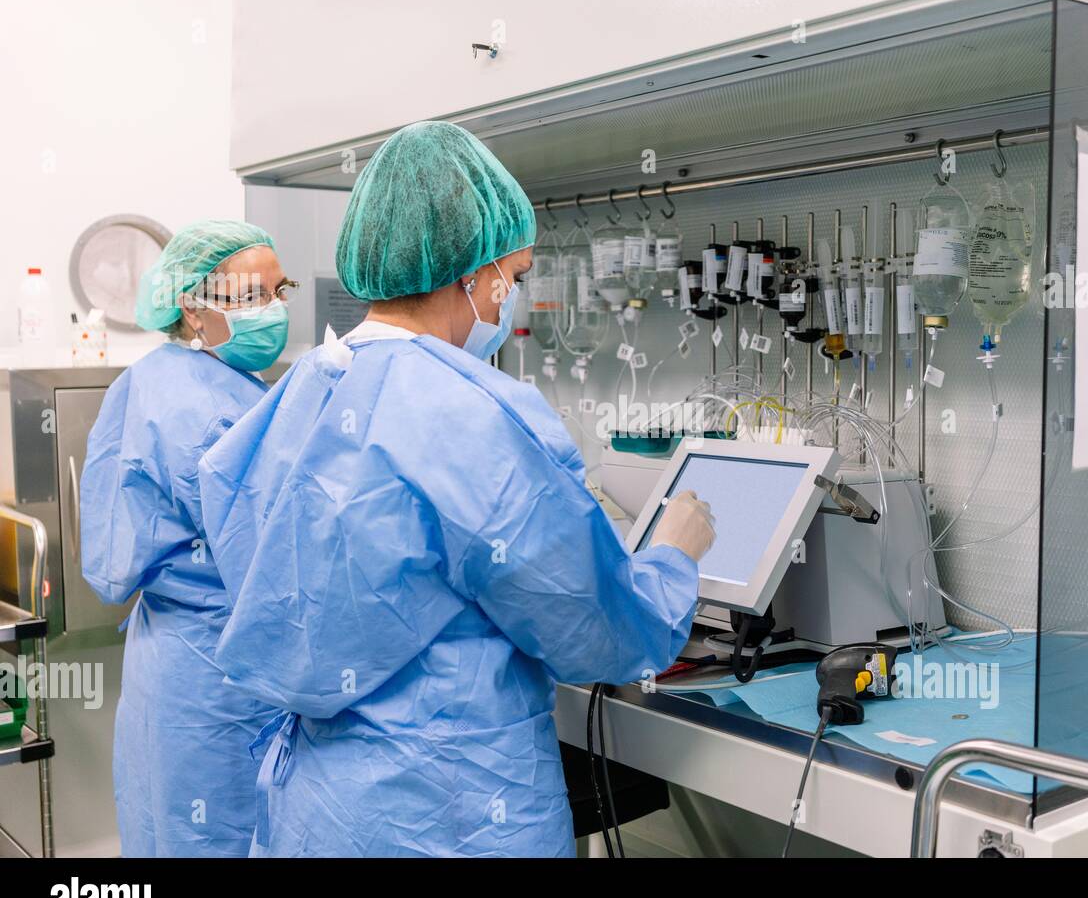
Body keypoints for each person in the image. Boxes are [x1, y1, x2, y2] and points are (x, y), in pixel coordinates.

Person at [197, 121, 715, 857]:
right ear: (472, 274)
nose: (513, 300)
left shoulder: (299, 394)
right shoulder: (471, 415)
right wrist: (671, 558)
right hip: (447, 809)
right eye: (517, 275)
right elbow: (596, 633)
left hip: (321, 809)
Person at [80, 219, 294, 856]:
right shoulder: (197, 406)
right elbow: (270, 553)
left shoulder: (160, 378)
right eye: (252, 298)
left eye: (281, 291)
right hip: (214, 675)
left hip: (171, 659)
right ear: (193, 310)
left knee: (166, 828)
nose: (274, 311)